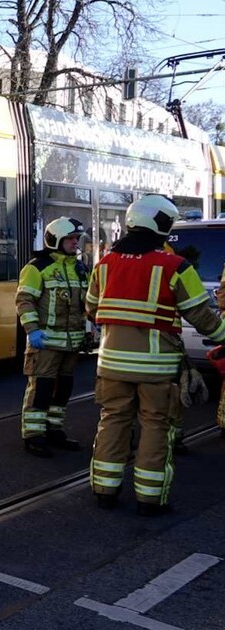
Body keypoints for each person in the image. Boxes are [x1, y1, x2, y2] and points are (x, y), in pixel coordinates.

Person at [86, 194, 225, 516]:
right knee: (154, 426)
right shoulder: (175, 266)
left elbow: (92, 309)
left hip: (111, 363)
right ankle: (149, 497)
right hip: (155, 366)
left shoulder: (105, 263)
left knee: (112, 421)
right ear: (160, 225)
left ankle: (104, 489)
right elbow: (201, 316)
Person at [16, 217, 89, 457]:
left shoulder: (79, 267)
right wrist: (32, 330)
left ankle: (54, 429)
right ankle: (34, 435)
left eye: (76, 239)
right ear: (55, 239)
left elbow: (86, 303)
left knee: (63, 390)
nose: (75, 243)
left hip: (71, 342)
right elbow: (24, 301)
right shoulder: (37, 267)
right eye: (70, 239)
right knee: (41, 389)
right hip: (45, 342)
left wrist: (91, 329)